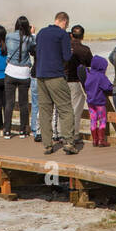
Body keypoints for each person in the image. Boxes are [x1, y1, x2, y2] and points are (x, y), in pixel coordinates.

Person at [35, 13, 79, 155]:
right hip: (55, 75)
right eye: (67, 24)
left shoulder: (41, 33)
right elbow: (66, 56)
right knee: (66, 109)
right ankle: (69, 143)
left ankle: (47, 145)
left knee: (45, 111)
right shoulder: (62, 35)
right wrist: (70, 52)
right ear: (64, 21)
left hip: (40, 76)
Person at [4, 15, 35, 138]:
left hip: (11, 71)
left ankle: (7, 131)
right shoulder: (29, 39)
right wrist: (32, 34)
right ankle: (23, 131)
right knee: (23, 104)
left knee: (9, 103)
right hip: (24, 73)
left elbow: (7, 50)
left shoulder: (9, 36)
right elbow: (34, 48)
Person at [60, 24, 92, 139]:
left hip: (61, 81)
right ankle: (74, 134)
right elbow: (90, 64)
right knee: (76, 109)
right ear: (82, 36)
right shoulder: (85, 50)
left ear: (71, 35)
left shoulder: (63, 48)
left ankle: (60, 133)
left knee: (62, 108)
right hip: (76, 82)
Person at [80, 55, 113, 147]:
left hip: (90, 103)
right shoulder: (101, 76)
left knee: (93, 120)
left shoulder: (89, 74)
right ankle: (101, 140)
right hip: (100, 103)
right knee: (102, 120)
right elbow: (108, 87)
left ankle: (94, 140)